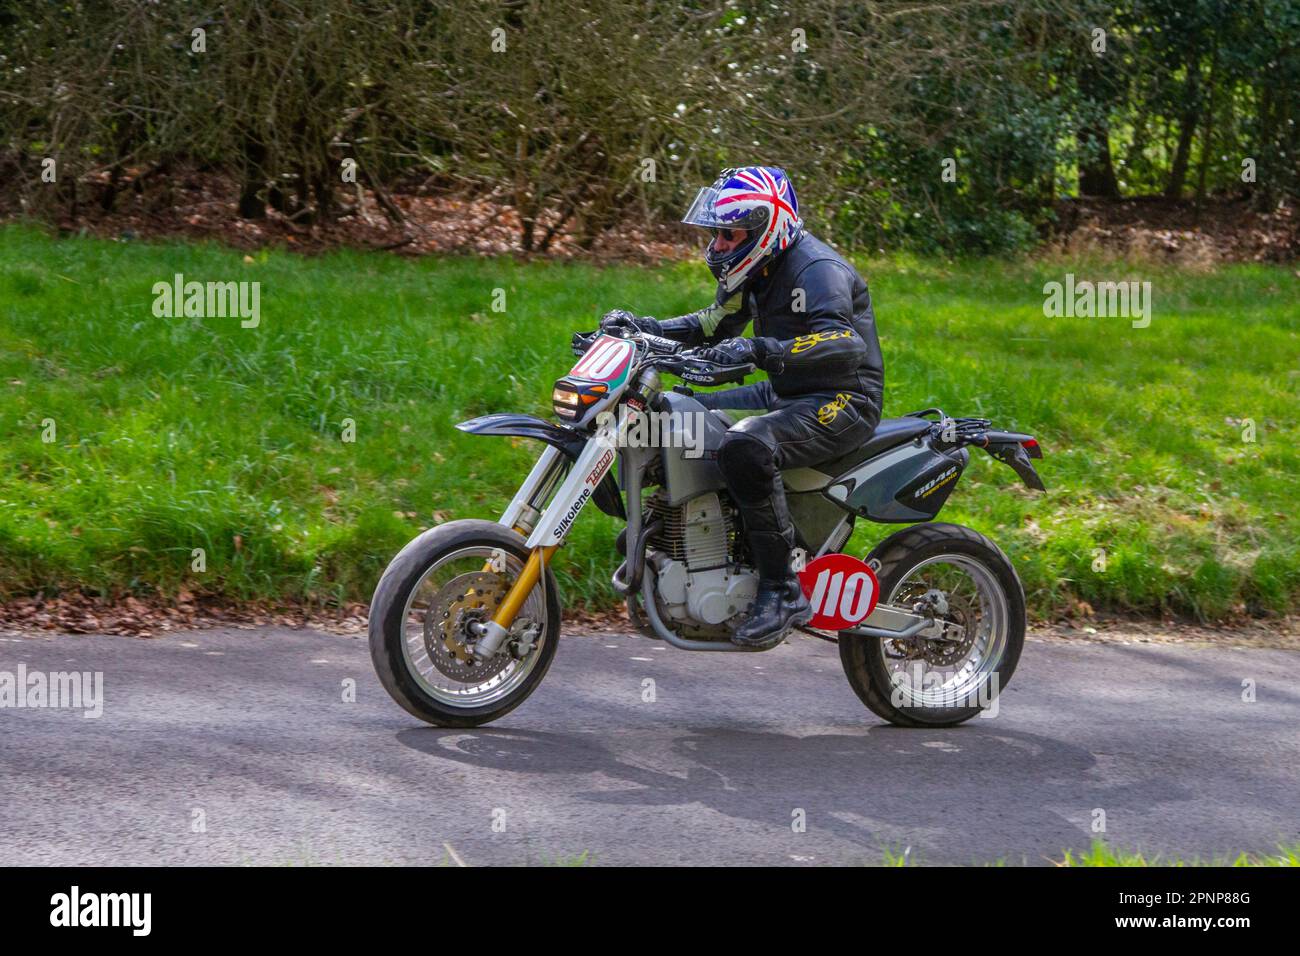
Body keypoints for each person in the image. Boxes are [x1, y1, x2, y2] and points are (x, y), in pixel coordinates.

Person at [601, 165, 885, 648]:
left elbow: (845, 342)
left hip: (841, 399)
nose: (719, 245)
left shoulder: (818, 270)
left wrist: (760, 350)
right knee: (674, 416)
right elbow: (713, 323)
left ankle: (782, 589)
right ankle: (690, 544)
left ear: (765, 227)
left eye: (729, 235)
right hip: (785, 391)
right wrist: (645, 330)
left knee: (747, 445)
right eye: (717, 234)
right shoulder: (759, 267)